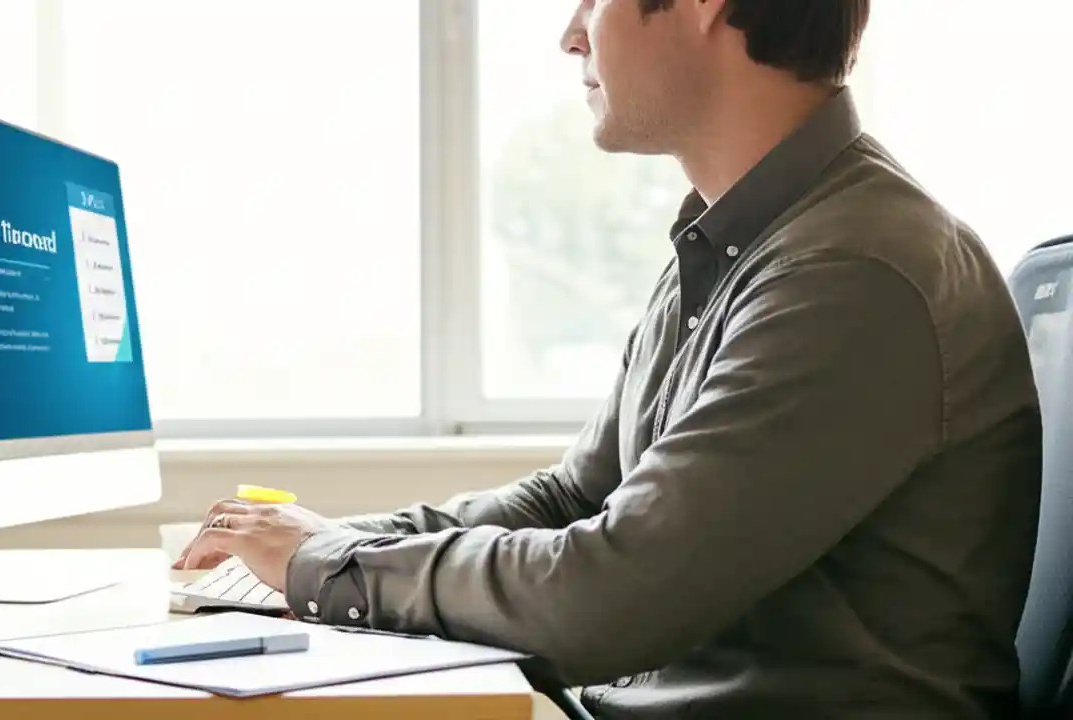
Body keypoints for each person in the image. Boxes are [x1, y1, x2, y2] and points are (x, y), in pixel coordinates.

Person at [174, 1, 1042, 716]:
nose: (572, 33)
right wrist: (339, 543)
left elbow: (608, 599)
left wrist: (330, 569)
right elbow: (574, 497)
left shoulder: (852, 274)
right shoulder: (742, 241)